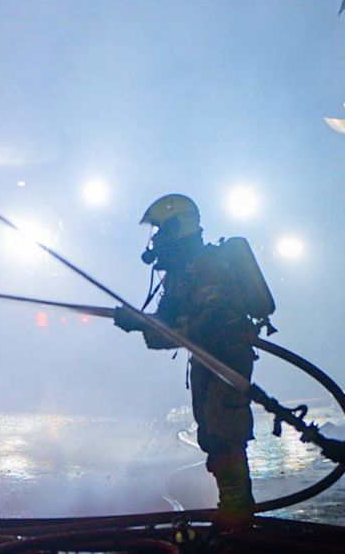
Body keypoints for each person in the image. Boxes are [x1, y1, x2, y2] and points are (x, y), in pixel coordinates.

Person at [112, 194, 273, 523]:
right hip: (205, 360)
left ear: (178, 227)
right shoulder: (181, 275)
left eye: (161, 230)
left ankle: (237, 512)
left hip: (226, 359)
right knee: (212, 435)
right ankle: (232, 508)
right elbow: (168, 327)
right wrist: (137, 321)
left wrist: (145, 325)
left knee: (225, 433)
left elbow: (198, 328)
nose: (156, 239)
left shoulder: (209, 268)